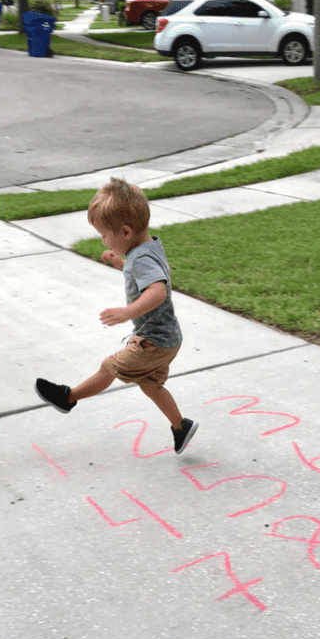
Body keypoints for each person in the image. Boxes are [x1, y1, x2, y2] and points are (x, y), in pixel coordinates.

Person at [35, 177, 198, 455]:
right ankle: (180, 426)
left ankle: (68, 398)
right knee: (150, 385)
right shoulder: (146, 248)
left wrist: (127, 312)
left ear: (124, 232)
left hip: (155, 340)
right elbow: (144, 272)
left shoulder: (143, 258)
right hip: (167, 338)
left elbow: (157, 291)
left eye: (104, 234)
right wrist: (120, 263)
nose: (102, 239)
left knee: (109, 366)